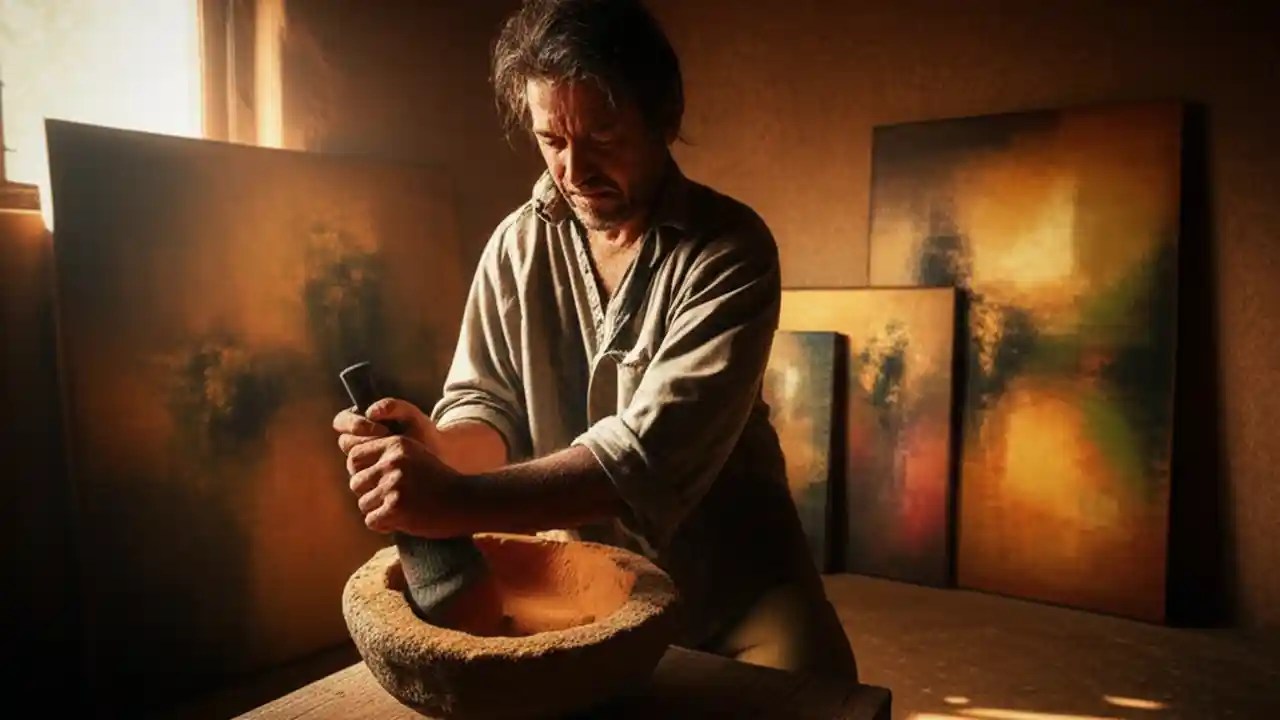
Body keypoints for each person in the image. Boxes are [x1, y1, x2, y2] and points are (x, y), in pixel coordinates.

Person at [332, 0, 857, 679]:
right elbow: (487, 405)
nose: (574, 170)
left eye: (603, 137)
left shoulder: (731, 251)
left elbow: (645, 459)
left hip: (739, 589)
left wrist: (451, 501)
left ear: (664, 120)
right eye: (552, 140)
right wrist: (438, 450)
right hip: (590, 585)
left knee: (830, 703)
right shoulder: (515, 247)